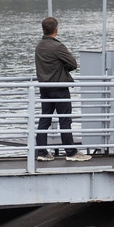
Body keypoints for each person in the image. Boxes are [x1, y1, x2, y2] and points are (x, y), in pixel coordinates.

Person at [34, 16, 90, 161]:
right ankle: (71, 152)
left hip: (44, 88)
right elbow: (73, 63)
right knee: (65, 120)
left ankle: (41, 152)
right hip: (59, 88)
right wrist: (63, 68)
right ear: (56, 30)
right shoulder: (58, 46)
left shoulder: (39, 46)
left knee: (45, 119)